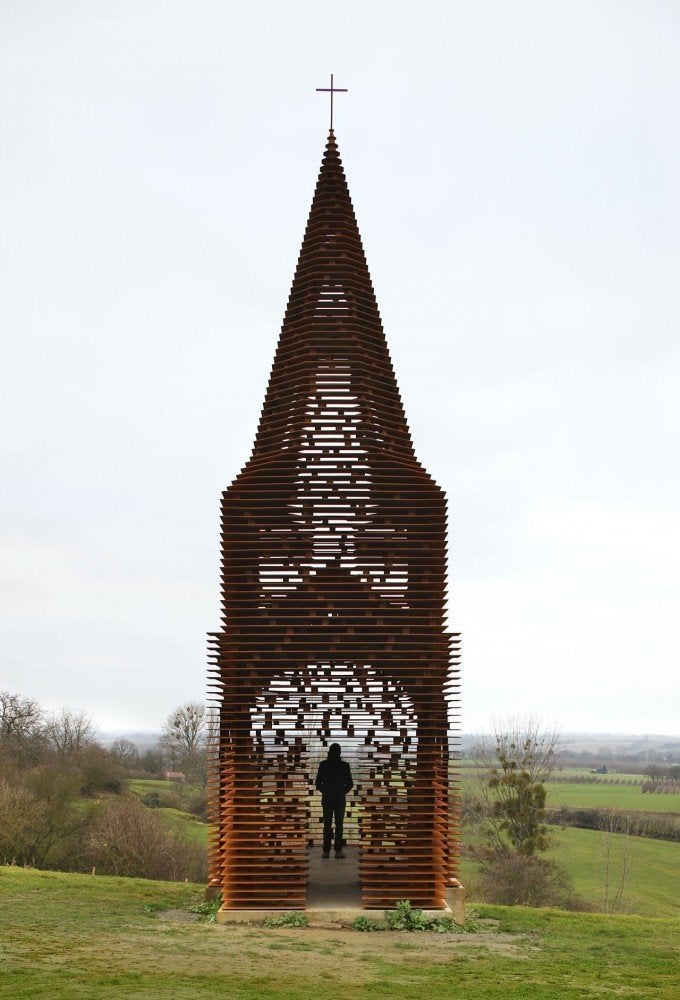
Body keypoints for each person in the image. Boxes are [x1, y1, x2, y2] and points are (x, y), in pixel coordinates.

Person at [315, 743, 353, 858]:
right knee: (339, 825)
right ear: (340, 752)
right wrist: (342, 792)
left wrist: (326, 792)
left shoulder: (323, 765)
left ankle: (326, 851)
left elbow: (318, 783)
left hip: (327, 799)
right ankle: (338, 851)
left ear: (329, 751)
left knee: (327, 825)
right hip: (340, 799)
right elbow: (350, 784)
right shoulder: (345, 766)